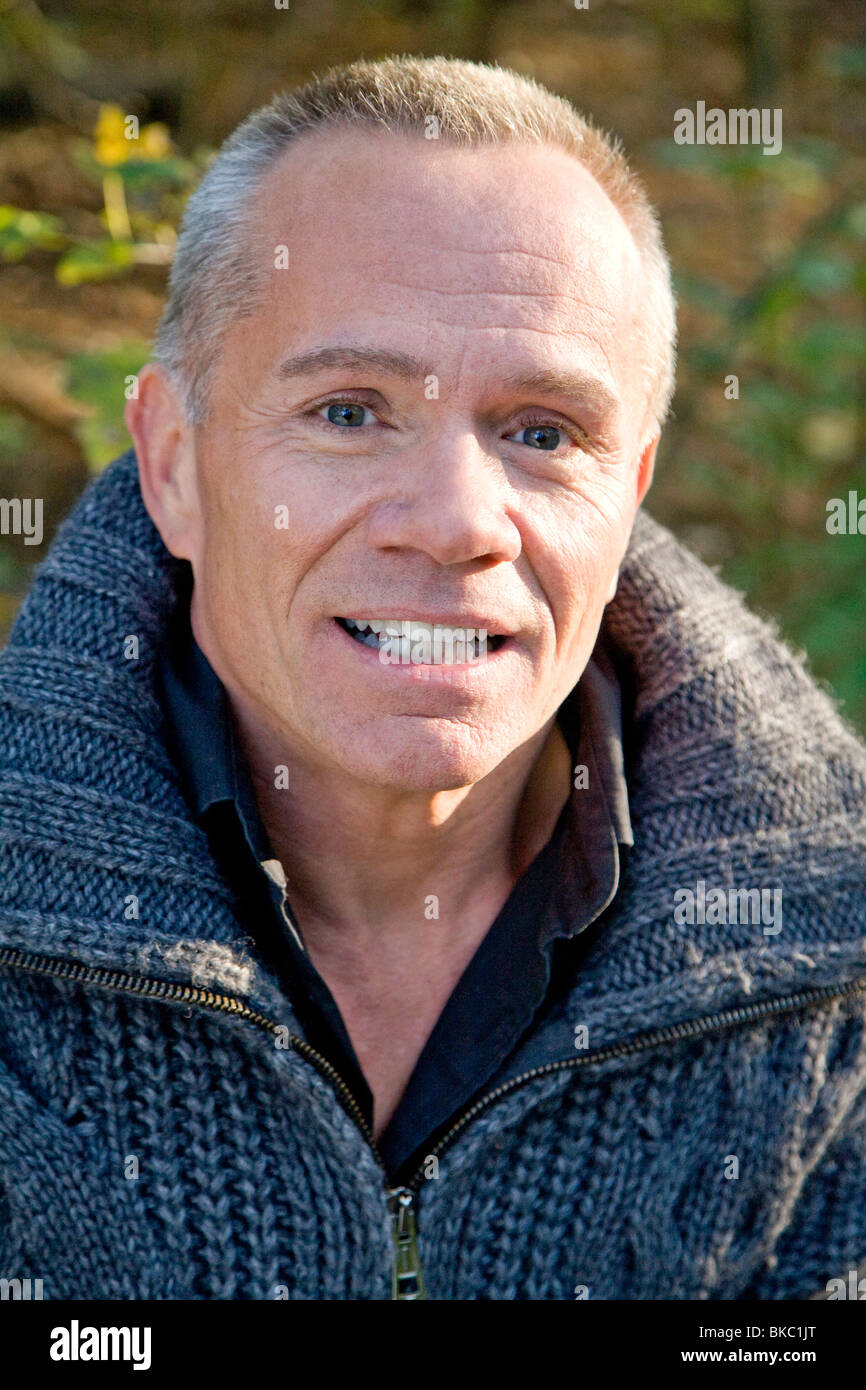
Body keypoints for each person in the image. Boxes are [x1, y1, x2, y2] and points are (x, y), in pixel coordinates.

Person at [1, 55, 864, 1302]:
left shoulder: (829, 976)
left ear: (628, 495)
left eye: (541, 433)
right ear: (173, 464)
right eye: (349, 412)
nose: (458, 521)